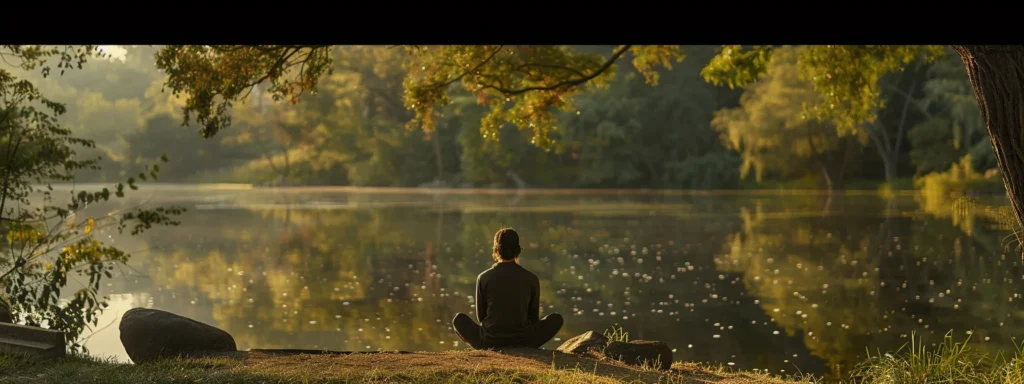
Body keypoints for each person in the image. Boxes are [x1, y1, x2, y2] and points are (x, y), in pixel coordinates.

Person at [452, 228, 563, 349]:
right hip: (523, 341)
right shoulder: (531, 278)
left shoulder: (483, 277)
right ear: (518, 250)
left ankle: (483, 347)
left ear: (496, 249)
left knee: (459, 320)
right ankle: (526, 345)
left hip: (490, 341)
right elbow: (533, 318)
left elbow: (481, 317)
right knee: (556, 319)